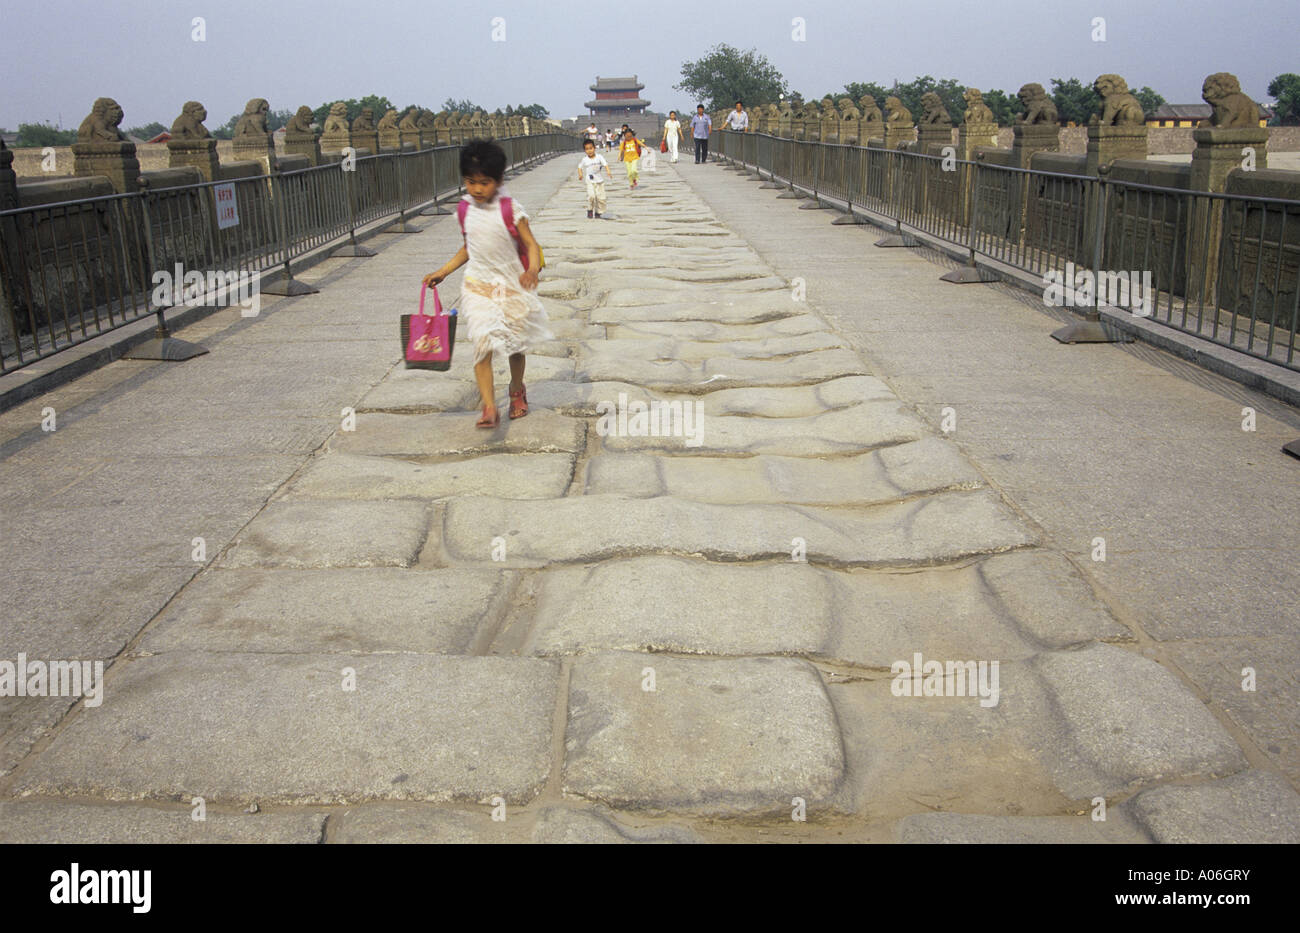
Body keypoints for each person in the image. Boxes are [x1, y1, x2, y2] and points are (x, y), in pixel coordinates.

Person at [422, 139, 552, 428]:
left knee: (515, 344)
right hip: (478, 285)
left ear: (499, 180)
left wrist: (532, 270)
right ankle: (489, 406)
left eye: (484, 182)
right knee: (482, 343)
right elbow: (469, 247)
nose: (478, 189)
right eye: (471, 182)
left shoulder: (510, 209)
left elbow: (531, 244)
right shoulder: (465, 210)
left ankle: (517, 389)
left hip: (511, 284)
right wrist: (443, 271)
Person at [577, 137, 612, 218]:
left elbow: (605, 164)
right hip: (590, 181)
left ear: (594, 148)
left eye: (591, 148)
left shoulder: (599, 157)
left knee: (601, 198)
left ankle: (598, 212)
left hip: (599, 181)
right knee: (591, 196)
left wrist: (608, 172)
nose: (589, 150)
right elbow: (579, 167)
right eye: (587, 149)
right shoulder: (585, 159)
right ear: (585, 150)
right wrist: (580, 174)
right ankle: (590, 209)